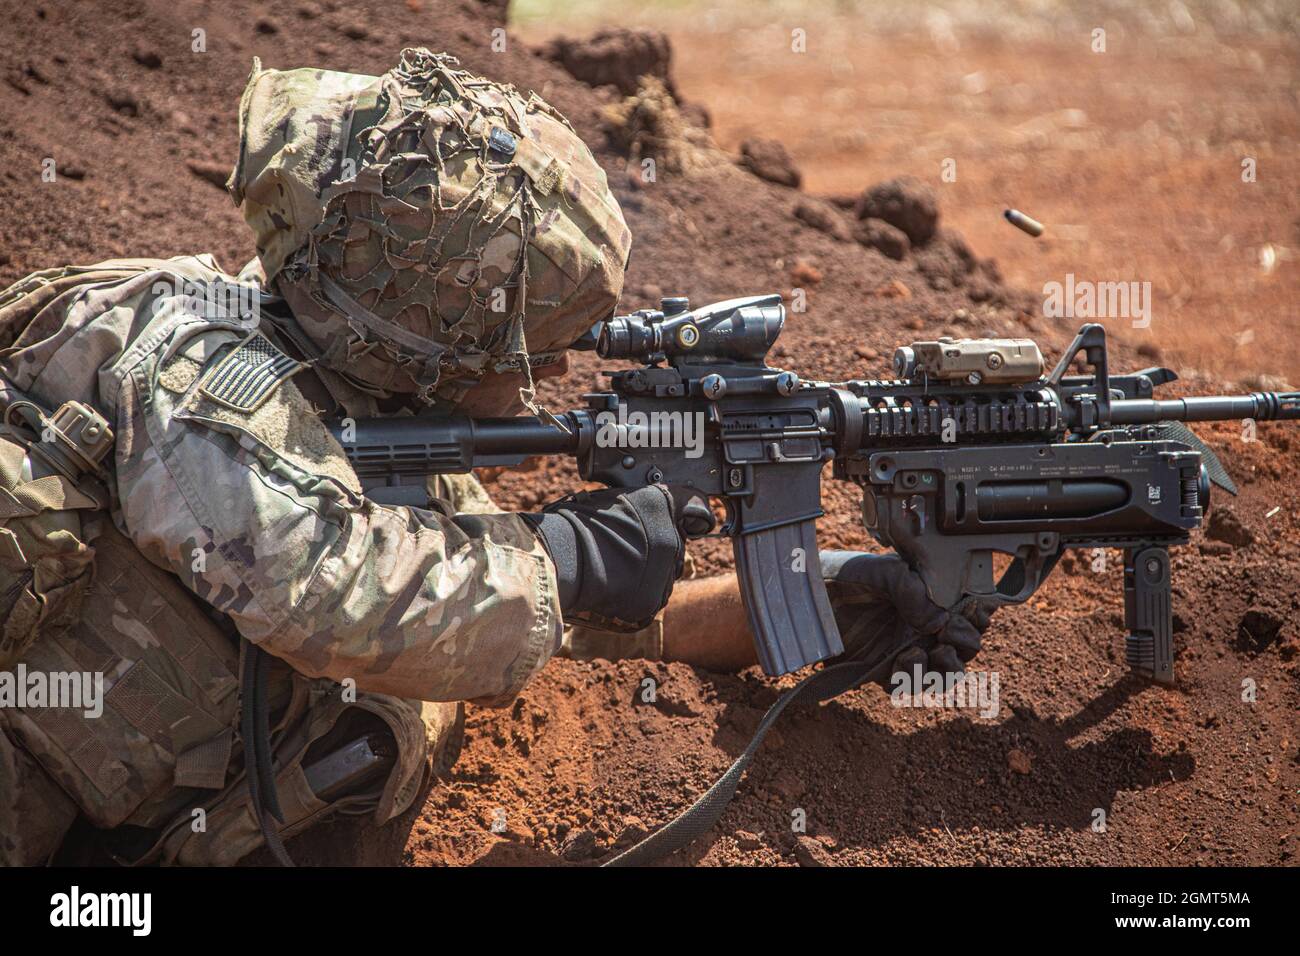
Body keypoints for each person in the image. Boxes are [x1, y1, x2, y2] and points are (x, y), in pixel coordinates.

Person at [0, 49, 984, 867]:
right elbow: (319, 588)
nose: (544, 371)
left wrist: (813, 592)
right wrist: (560, 552)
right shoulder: (190, 367)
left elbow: (547, 610)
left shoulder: (339, 386)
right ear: (418, 343)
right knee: (392, 677)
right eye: (527, 348)